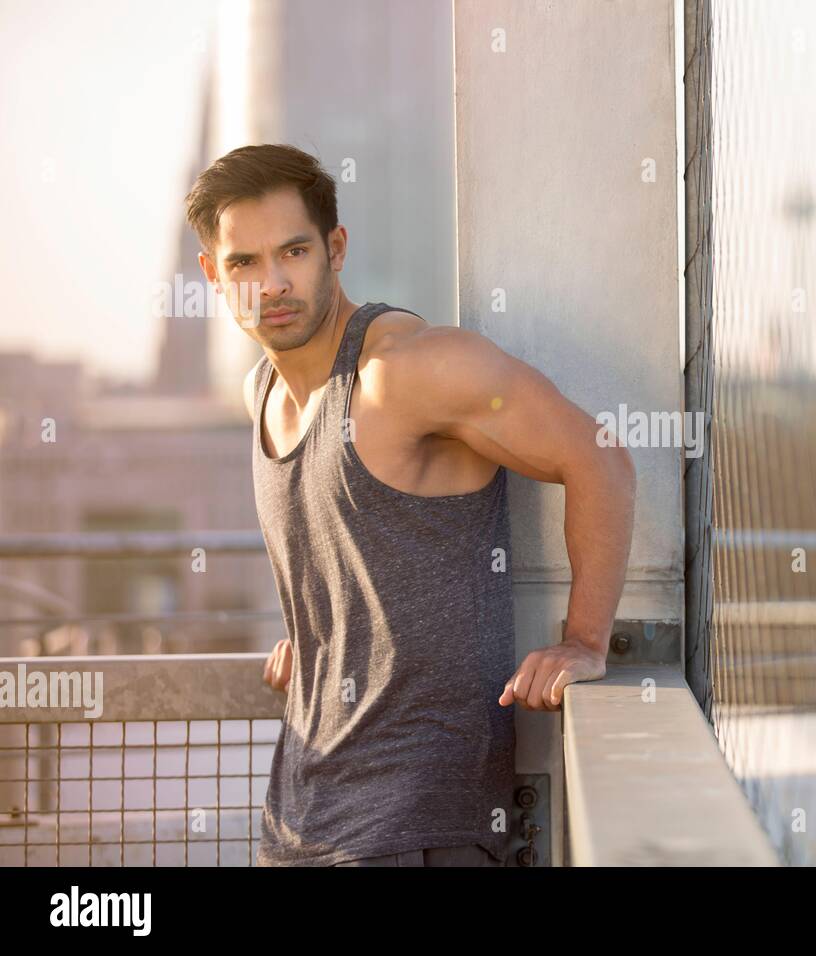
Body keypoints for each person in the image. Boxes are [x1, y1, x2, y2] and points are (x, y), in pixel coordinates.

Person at [184, 143, 636, 867]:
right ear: (212, 273)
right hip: (299, 824)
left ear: (335, 248)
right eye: (243, 264)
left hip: (418, 827)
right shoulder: (262, 396)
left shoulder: (406, 372)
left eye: (293, 251)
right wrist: (324, 642)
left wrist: (583, 642)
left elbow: (602, 458)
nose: (271, 283)